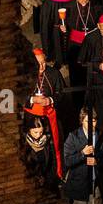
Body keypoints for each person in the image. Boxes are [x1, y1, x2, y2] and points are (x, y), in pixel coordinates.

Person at [63, 107, 103, 204]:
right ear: (82, 121)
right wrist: (82, 154)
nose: (91, 124)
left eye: (94, 121)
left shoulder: (102, 136)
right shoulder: (73, 136)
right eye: (88, 121)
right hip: (79, 181)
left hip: (95, 182)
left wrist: (97, 161)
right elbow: (68, 160)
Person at [24, 48, 65, 179]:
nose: (42, 67)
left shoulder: (53, 73)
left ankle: (55, 174)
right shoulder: (26, 74)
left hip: (49, 116)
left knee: (54, 147)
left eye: (43, 63)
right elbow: (16, 95)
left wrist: (50, 99)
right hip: (31, 117)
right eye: (39, 64)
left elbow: (62, 92)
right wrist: (32, 99)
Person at [22, 114, 59, 191]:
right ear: (29, 130)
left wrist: (50, 179)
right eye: (35, 132)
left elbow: (53, 162)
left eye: (41, 132)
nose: (38, 135)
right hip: (30, 183)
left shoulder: (48, 141)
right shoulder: (23, 143)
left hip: (49, 181)